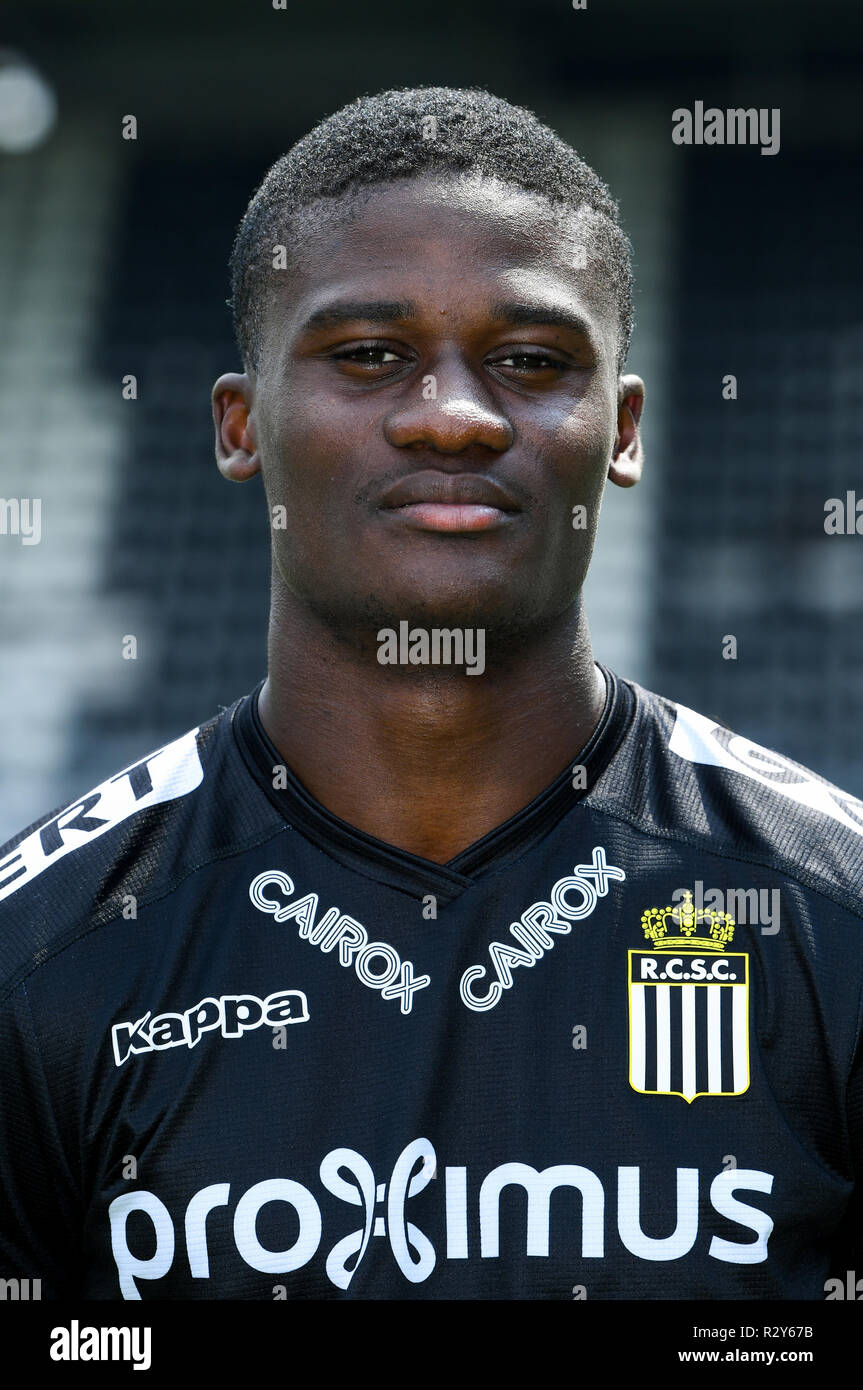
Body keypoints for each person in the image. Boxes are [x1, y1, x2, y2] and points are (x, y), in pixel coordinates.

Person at [1, 85, 861, 1301]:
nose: (451, 417)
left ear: (620, 431)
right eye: (366, 355)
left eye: (527, 360)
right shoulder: (44, 952)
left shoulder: (829, 912)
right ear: (242, 425)